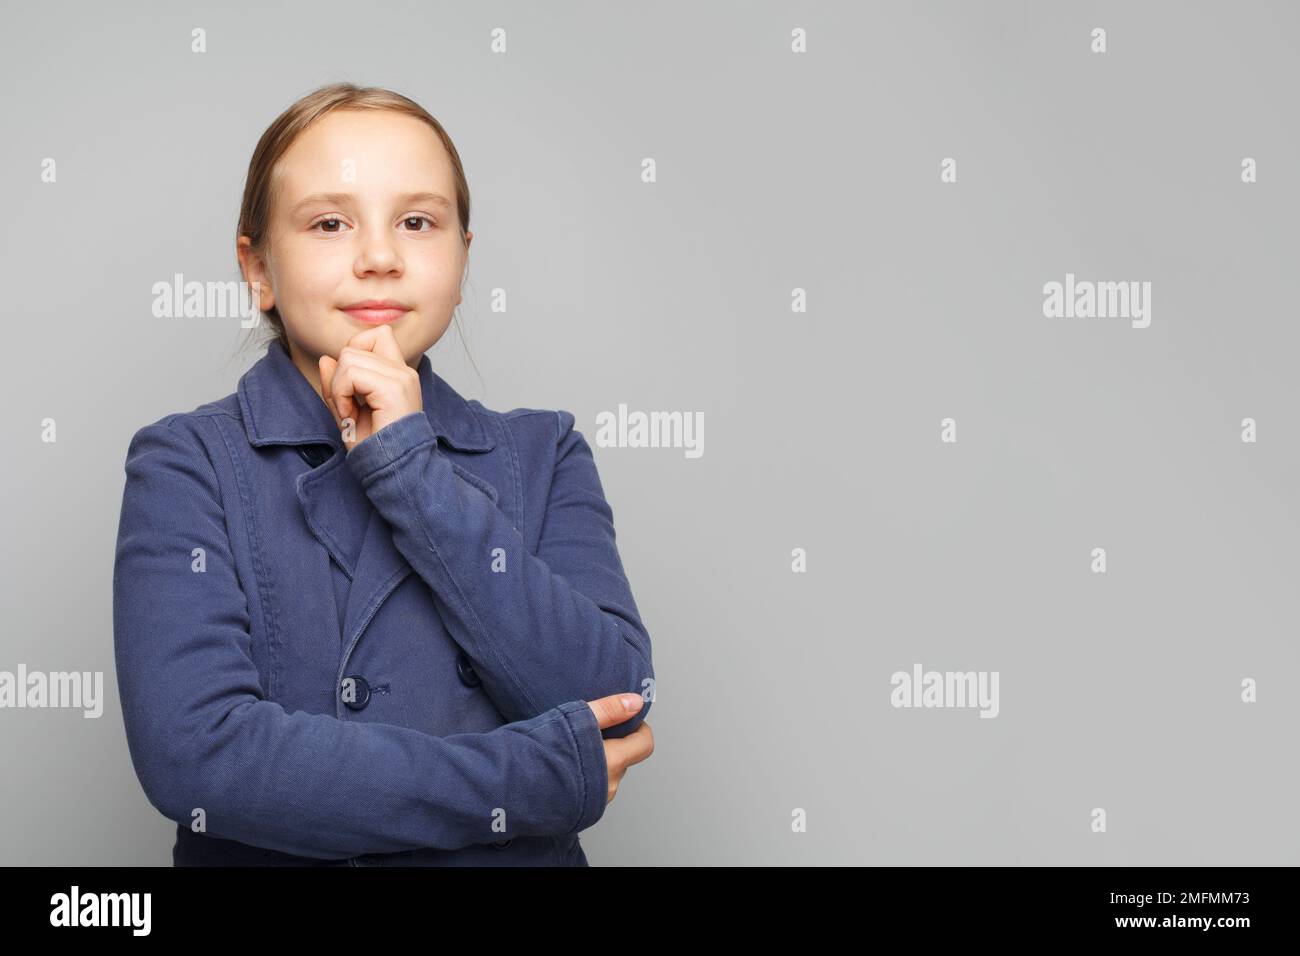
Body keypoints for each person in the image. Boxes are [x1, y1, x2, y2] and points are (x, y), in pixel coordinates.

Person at [112, 83, 655, 866]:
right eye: (330, 223)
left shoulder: (543, 453)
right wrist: (527, 777)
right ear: (257, 265)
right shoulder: (187, 463)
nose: (378, 256)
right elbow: (197, 757)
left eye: (417, 222)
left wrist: (408, 466)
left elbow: (613, 697)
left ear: (464, 258)